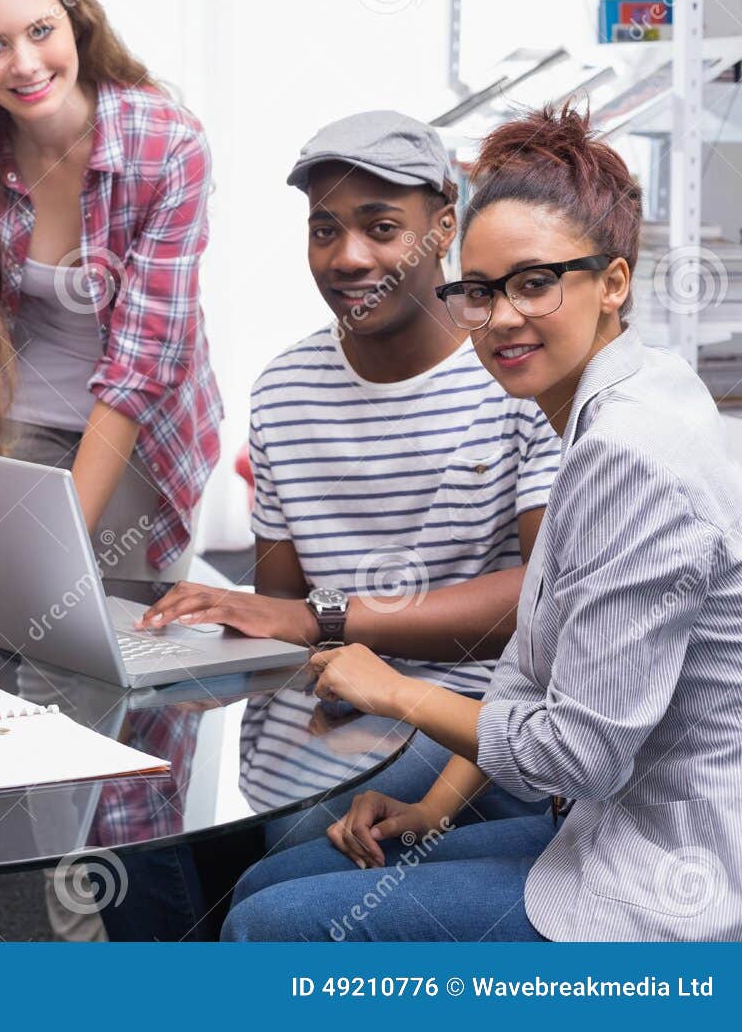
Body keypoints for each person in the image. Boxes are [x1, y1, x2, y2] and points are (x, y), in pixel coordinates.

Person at [223, 104, 742, 941]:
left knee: (266, 927)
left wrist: (393, 688)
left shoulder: (629, 453)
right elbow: (531, 669)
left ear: (613, 283)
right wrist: (432, 807)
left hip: (661, 879)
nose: (500, 318)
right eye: (481, 290)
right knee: (269, 880)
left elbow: (578, 754)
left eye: (535, 282)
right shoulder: (620, 398)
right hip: (602, 827)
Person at [140, 112, 560, 853]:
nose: (348, 256)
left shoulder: (515, 374)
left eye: (381, 227)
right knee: (140, 814)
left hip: (462, 719)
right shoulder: (283, 390)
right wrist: (190, 650)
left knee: (296, 840)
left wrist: (325, 619)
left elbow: (541, 600)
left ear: (442, 231)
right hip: (320, 704)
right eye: (325, 229)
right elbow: (282, 607)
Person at [0, 0, 221, 582]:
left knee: (108, 623)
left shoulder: (168, 145)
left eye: (40, 30)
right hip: (18, 411)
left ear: (76, 20)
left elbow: (141, 365)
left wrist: (60, 549)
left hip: (138, 425)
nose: (24, 64)